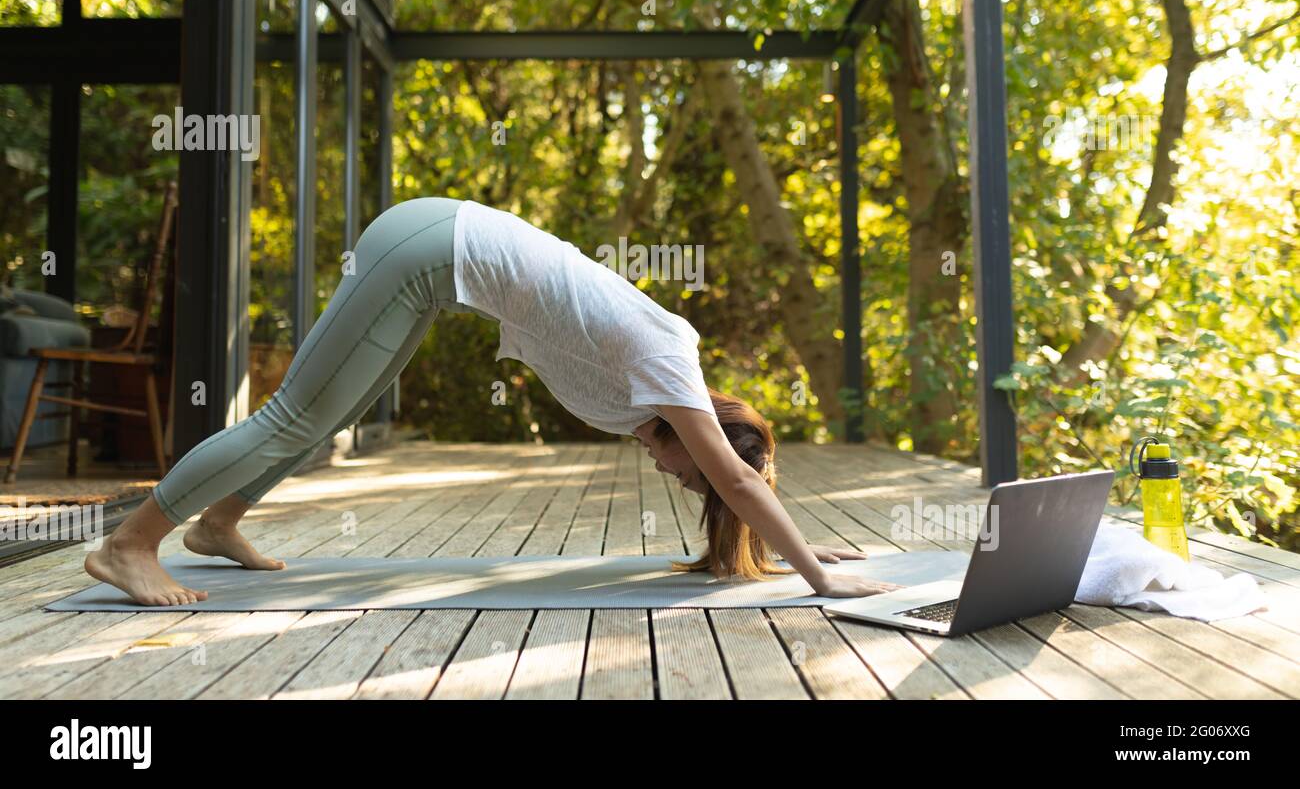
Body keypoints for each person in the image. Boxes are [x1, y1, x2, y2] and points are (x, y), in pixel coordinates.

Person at [86, 197, 895, 605]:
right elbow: (741, 483)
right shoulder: (670, 372)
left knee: (324, 417)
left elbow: (740, 487)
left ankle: (218, 523)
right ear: (703, 433)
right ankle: (131, 542)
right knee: (291, 417)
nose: (670, 470)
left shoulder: (660, 383)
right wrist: (819, 577)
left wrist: (806, 550)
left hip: (434, 267)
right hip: (425, 253)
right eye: (689, 473)